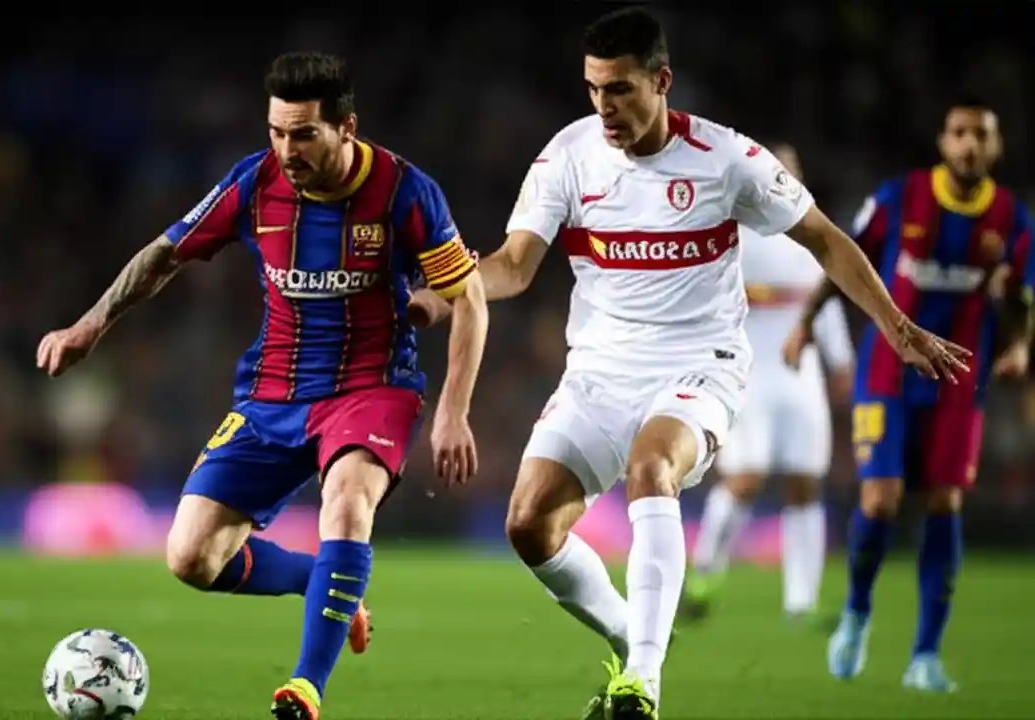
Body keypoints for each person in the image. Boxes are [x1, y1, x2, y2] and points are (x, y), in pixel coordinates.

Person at [411, 8, 968, 719]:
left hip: (699, 363)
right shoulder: (569, 156)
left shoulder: (727, 159)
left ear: (662, 80)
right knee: (529, 526)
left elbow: (826, 239)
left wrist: (894, 326)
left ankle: (643, 682)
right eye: (593, 89)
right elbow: (514, 267)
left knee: (653, 468)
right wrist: (444, 293)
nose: (604, 107)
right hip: (600, 369)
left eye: (620, 90)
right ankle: (634, 635)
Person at [36, 51, 489, 720]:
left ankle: (305, 688)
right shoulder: (255, 183)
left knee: (347, 505)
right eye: (276, 132)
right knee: (191, 557)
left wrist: (453, 412)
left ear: (346, 128)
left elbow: (469, 298)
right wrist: (90, 325)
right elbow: (167, 252)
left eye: (303, 133)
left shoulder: (404, 190)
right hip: (274, 392)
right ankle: (322, 582)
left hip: (373, 386)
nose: (287, 150)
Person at [785, 95, 1032, 693]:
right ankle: (857, 612)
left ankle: (925, 655)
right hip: (887, 373)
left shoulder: (1011, 219)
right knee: (880, 499)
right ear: (943, 142)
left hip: (957, 383)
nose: (970, 143)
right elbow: (842, 259)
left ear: (995, 147)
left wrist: (1021, 346)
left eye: (981, 133)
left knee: (945, 504)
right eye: (959, 132)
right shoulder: (902, 198)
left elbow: (1020, 297)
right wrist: (805, 322)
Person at [682, 143, 854, 623]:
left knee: (805, 483)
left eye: (791, 173)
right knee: (745, 478)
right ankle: (703, 578)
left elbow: (828, 303)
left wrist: (841, 362)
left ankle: (801, 602)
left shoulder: (814, 239)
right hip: (748, 376)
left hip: (801, 380)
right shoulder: (731, 238)